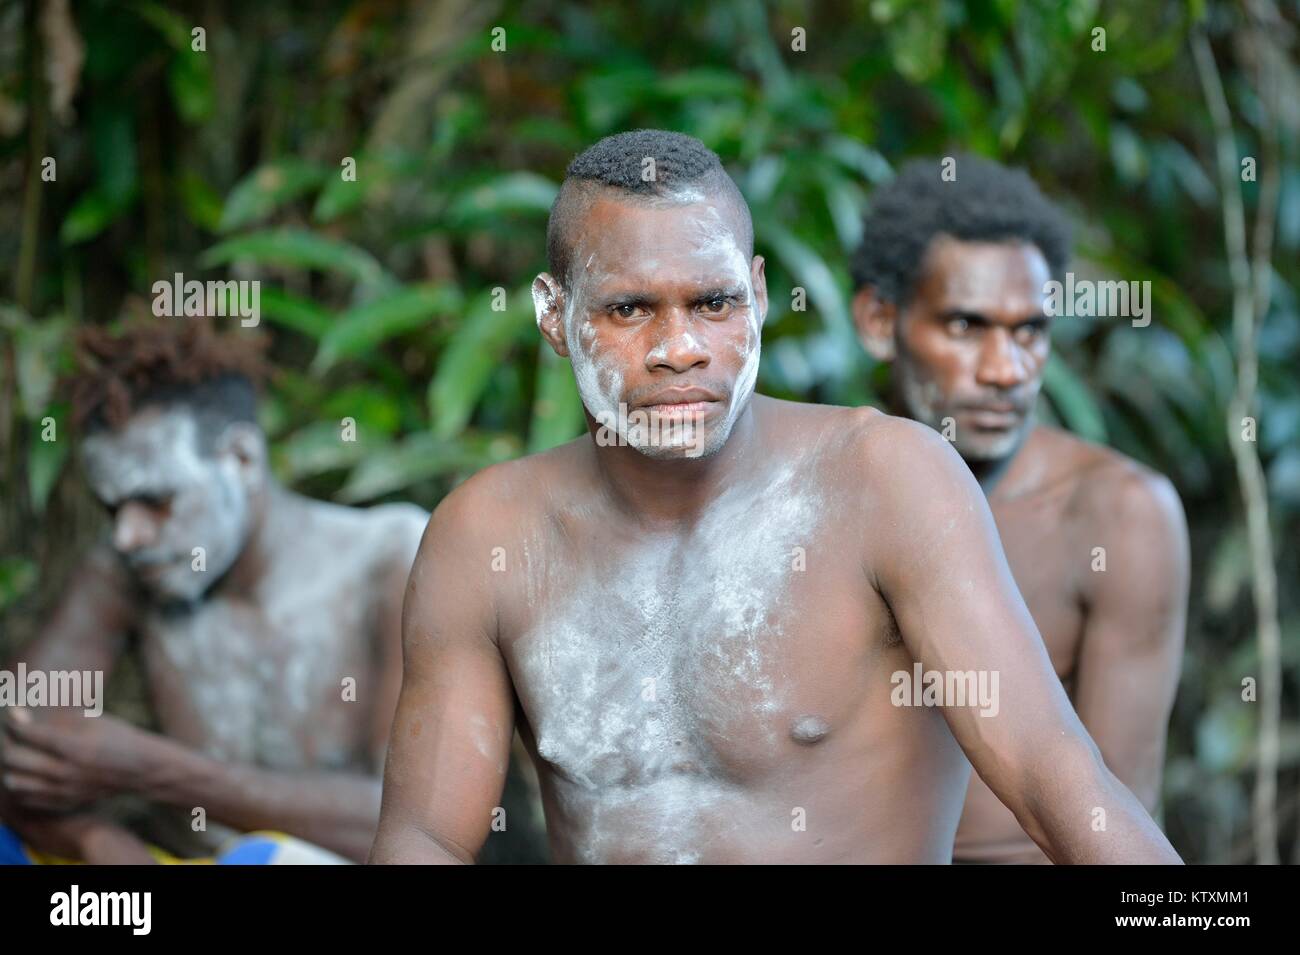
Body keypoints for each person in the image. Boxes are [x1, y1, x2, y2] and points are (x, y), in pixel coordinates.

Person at [369, 130, 1182, 864]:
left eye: (713, 303)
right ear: (554, 313)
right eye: (629, 309)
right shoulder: (486, 534)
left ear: (757, 295)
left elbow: (1053, 772)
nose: (679, 348)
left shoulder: (886, 479)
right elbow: (426, 837)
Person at [850, 155, 1189, 863]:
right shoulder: (815, 491)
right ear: (881, 320)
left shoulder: (1119, 515)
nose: (1006, 371)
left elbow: (1116, 815)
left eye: (1029, 330)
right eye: (967, 326)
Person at [0, 321, 426, 863]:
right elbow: (19, 739)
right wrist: (98, 841)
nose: (128, 535)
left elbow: (412, 825)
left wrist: (152, 769)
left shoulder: (390, 558)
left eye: (155, 501)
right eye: (113, 510)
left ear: (242, 460)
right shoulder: (128, 565)